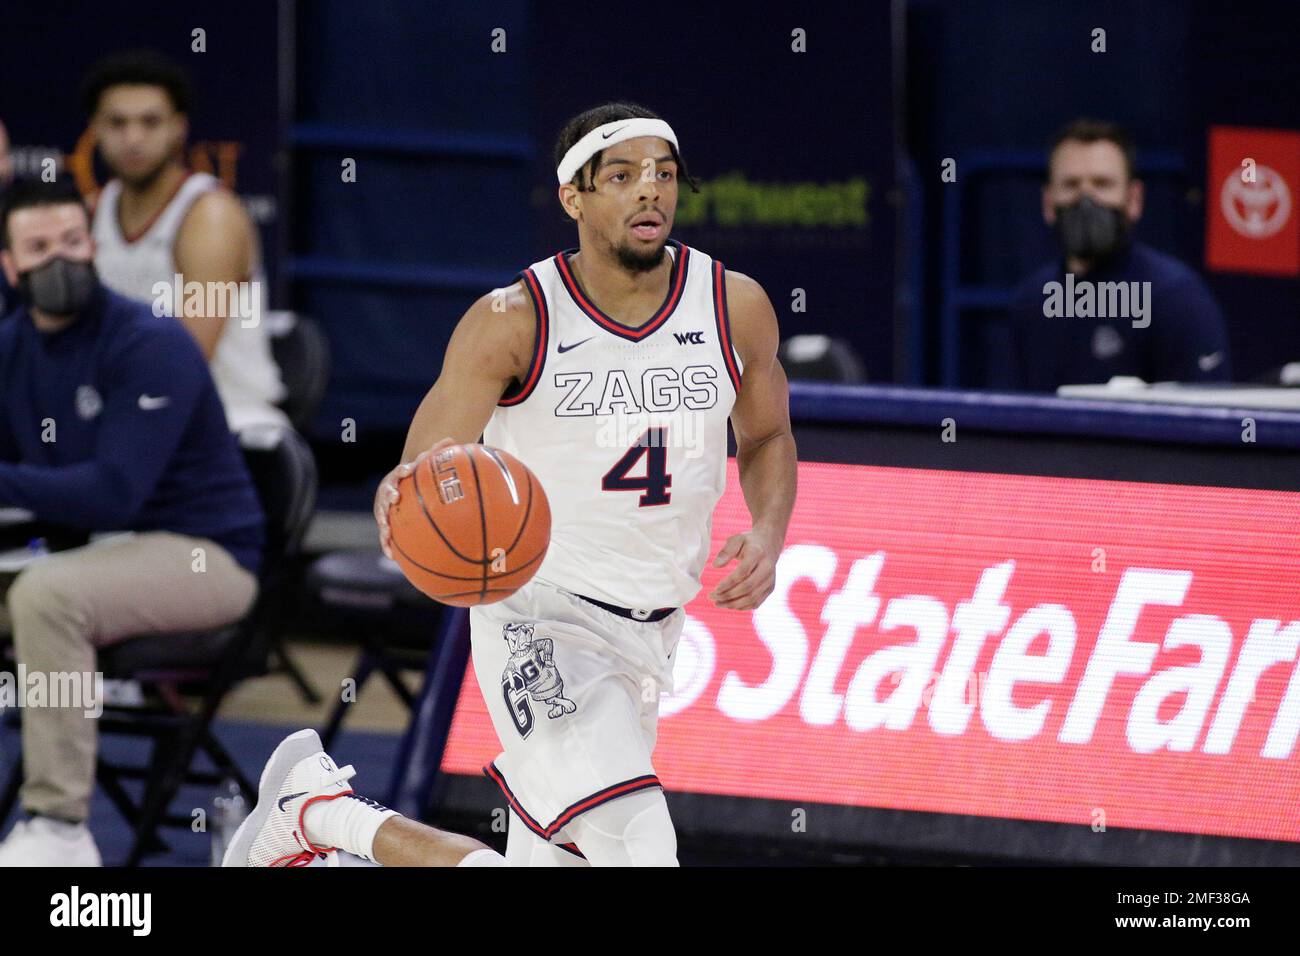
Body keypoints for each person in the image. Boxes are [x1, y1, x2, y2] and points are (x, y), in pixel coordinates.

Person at [224, 102, 797, 868]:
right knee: (640, 847)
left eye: (662, 174)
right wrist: (406, 506)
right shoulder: (514, 320)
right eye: (622, 176)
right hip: (539, 616)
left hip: (654, 628)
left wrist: (766, 530)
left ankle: (322, 816)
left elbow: (765, 436)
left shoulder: (734, 306)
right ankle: (323, 816)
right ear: (575, 198)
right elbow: (421, 472)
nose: (649, 192)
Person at [0, 179, 265, 866]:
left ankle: (57, 826)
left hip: (207, 555)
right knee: (45, 586)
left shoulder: (149, 343)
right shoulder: (11, 349)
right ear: (9, 265)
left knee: (46, 596)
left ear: (92, 244)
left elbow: (115, 492)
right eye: (38, 247)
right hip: (92, 552)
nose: (60, 258)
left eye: (72, 240)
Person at [82, 50, 288, 431]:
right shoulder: (91, 212)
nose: (133, 138)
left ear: (179, 127)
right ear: (94, 128)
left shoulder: (210, 217)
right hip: (123, 415)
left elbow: (187, 359)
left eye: (150, 122)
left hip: (230, 423)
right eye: (117, 122)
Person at [1007, 118, 1231, 391]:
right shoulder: (1032, 303)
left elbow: (1203, 423)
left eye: (1102, 184)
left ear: (1133, 199)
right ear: (1048, 202)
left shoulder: (1177, 300)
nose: (1086, 199)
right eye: (1071, 185)